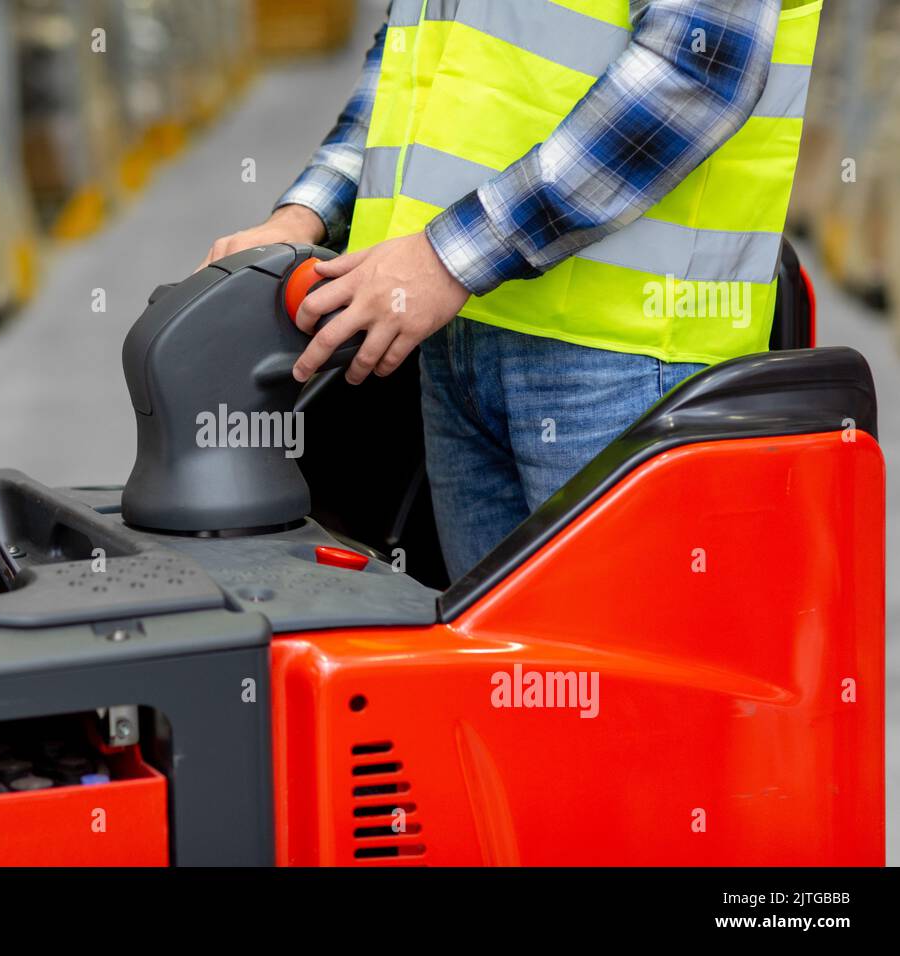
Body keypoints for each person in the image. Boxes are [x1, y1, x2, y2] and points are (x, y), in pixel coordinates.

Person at [200, 0, 821, 579]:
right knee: (499, 682)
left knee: (610, 683)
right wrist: (310, 210)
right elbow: (418, 54)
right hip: (460, 330)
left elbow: (699, 69)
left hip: (624, 356)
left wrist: (448, 258)